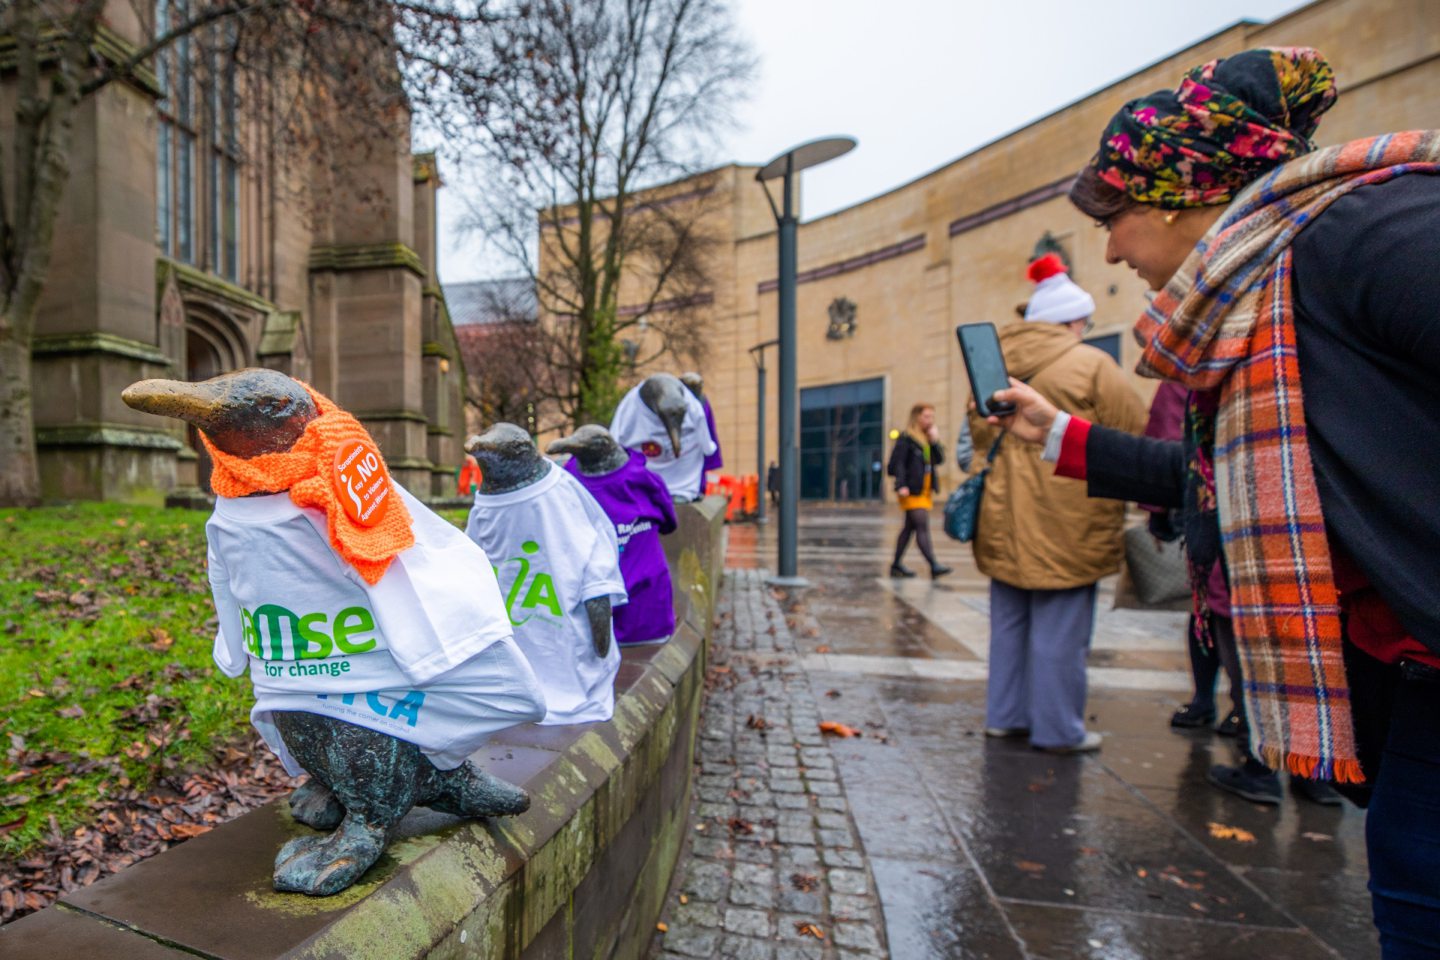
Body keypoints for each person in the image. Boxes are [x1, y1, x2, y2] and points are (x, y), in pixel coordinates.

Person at [984, 47, 1440, 955]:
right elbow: (1228, 481)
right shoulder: (1264, 288)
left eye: (1113, 220)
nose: (1111, 251)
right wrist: (1061, 434)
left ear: (1172, 198)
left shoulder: (1366, 231)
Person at [969, 255, 1146, 754]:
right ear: (1072, 321)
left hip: (1003, 514)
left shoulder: (992, 366)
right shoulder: (1092, 365)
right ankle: (1058, 729)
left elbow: (977, 437)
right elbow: (1133, 433)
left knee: (1008, 623)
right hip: (1071, 515)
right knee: (1061, 631)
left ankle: (1005, 715)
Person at [885, 403, 951, 579]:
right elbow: (897, 463)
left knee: (909, 528)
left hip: (924, 489)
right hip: (911, 490)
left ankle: (896, 565)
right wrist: (901, 485)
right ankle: (933, 564)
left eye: (932, 416)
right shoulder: (906, 438)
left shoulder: (926, 439)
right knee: (922, 525)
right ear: (917, 417)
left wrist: (934, 441)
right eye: (926, 416)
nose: (930, 420)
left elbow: (938, 460)